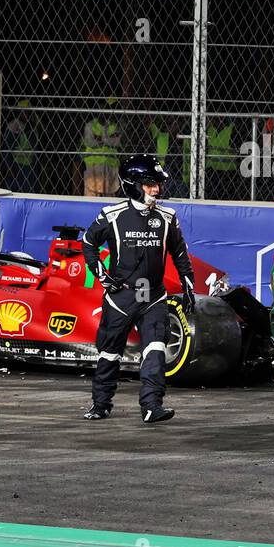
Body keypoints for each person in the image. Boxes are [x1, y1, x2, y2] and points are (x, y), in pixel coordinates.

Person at [80, 154, 196, 423]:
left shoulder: (168, 216)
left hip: (154, 296)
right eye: (149, 183)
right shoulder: (112, 214)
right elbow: (88, 243)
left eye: (157, 183)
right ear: (132, 183)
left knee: (155, 348)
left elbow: (180, 253)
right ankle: (101, 404)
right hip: (121, 297)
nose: (156, 189)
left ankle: (152, 406)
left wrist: (188, 284)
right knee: (109, 351)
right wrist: (103, 277)